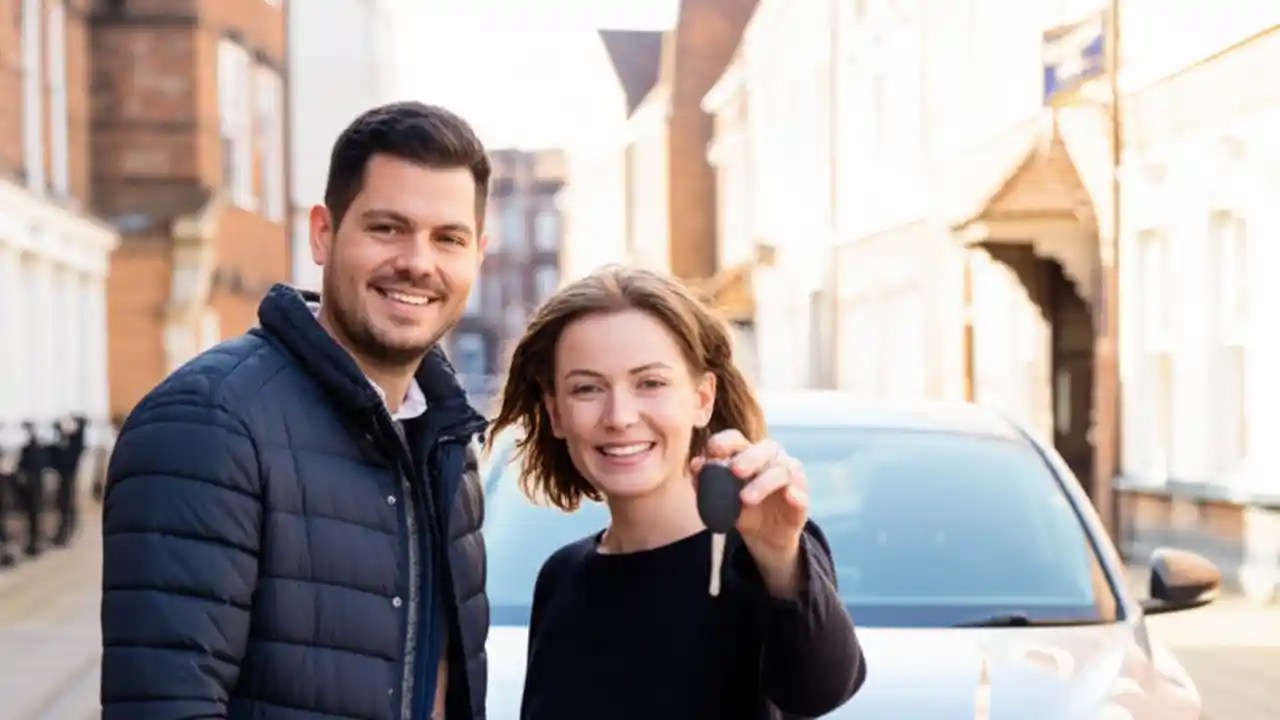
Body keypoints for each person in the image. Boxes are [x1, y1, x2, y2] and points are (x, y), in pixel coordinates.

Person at [100, 102, 493, 720]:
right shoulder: (209, 424)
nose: (419, 261)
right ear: (323, 233)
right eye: (387, 228)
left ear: (478, 255)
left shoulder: (447, 445)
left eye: (448, 238)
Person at [487, 266, 867, 720]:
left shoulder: (765, 555)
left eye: (651, 383)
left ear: (703, 398)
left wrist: (779, 555)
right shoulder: (562, 578)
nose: (620, 415)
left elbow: (820, 692)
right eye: (587, 388)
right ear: (556, 413)